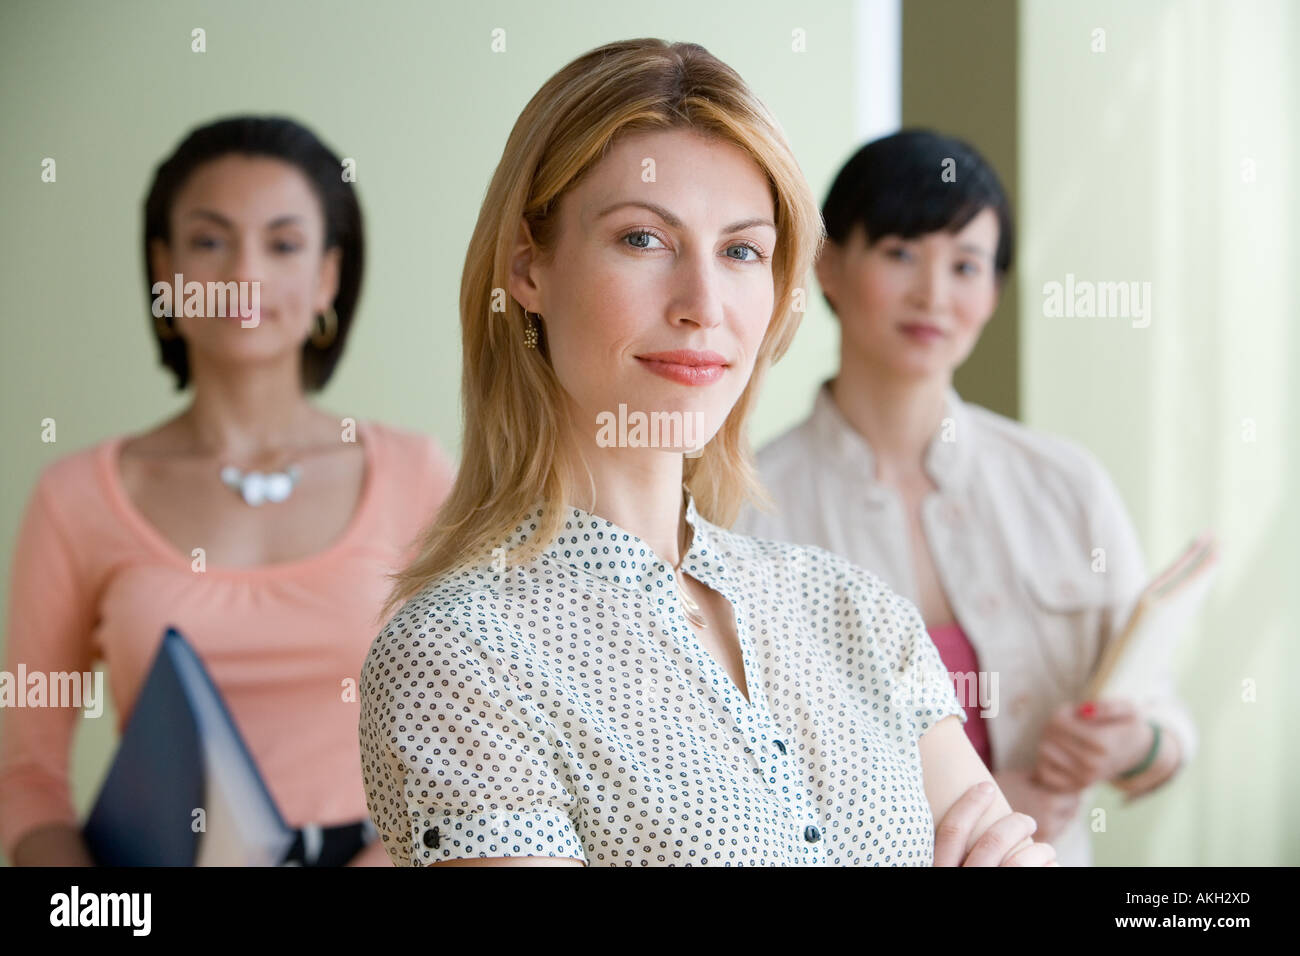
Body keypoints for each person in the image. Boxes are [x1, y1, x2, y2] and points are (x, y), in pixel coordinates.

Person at [358, 40, 1057, 867]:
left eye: (741, 252)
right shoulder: (462, 653)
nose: (703, 305)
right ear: (528, 269)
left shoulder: (858, 616)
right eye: (644, 240)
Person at [0, 116, 455, 866]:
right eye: (210, 241)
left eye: (282, 244)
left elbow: (472, 744)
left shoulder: (416, 474)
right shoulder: (75, 496)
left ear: (327, 278)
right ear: (163, 268)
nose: (244, 275)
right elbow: (28, 778)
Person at [734, 129, 1196, 866]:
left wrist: (1134, 746)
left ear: (993, 292)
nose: (934, 295)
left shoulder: (1066, 486)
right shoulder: (741, 509)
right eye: (900, 254)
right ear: (827, 264)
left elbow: (1167, 727)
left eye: (967, 266)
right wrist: (967, 808)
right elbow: (726, 788)